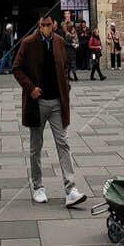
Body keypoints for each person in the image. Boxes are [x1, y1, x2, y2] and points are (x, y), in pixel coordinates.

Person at [13, 12, 87, 207]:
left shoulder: (60, 41)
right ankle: (38, 187)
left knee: (63, 143)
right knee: (35, 146)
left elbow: (65, 65)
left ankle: (70, 189)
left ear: (53, 25)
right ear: (39, 25)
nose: (46, 28)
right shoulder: (28, 43)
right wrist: (30, 88)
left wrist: (66, 86)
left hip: (56, 102)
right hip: (37, 103)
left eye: (49, 24)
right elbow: (17, 68)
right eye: (43, 24)